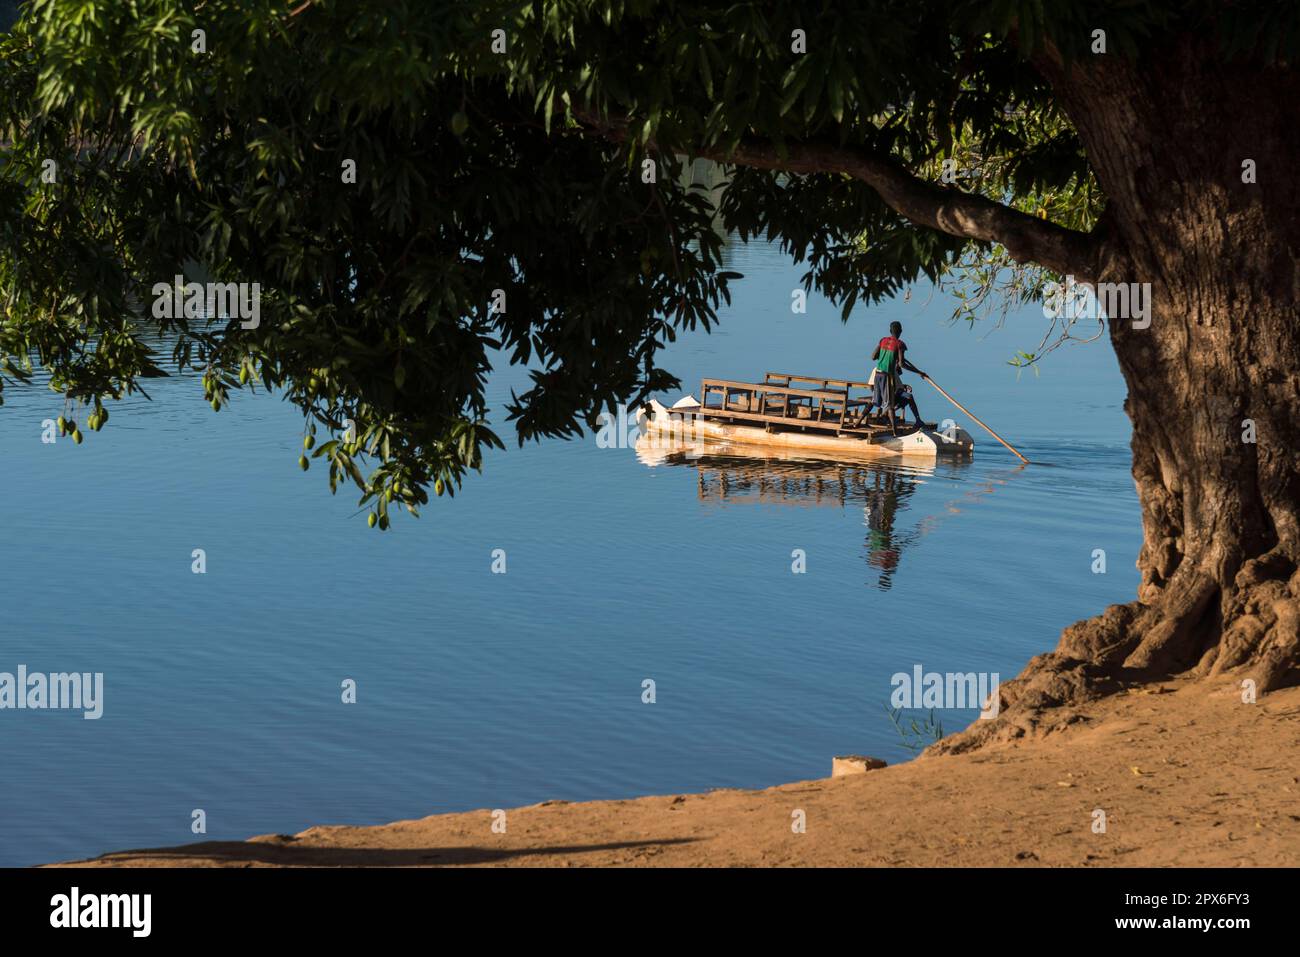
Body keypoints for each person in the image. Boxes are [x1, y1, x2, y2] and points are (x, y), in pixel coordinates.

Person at [868, 321, 926, 433]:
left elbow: (873, 357)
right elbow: (902, 364)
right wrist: (919, 372)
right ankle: (894, 430)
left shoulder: (883, 341)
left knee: (908, 396)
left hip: (886, 383)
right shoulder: (900, 345)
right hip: (887, 386)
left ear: (890, 331)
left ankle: (918, 421)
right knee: (895, 402)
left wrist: (887, 354)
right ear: (901, 331)